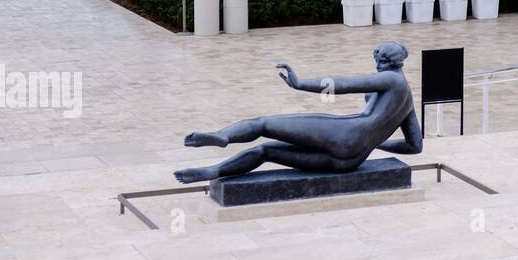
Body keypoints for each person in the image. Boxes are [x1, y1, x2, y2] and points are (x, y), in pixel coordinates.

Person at [174, 42, 423, 183]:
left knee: (263, 124)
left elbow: (343, 84)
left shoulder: (390, 80)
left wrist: (301, 83)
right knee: (266, 152)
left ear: (387, 62)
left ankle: (222, 136)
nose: (376, 63)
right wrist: (378, 144)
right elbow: (415, 146)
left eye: (378, 59)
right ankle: (213, 172)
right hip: (352, 160)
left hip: (345, 134)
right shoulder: (407, 99)